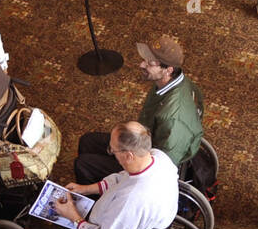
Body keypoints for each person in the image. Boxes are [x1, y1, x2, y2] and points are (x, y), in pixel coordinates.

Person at [31, 121, 178, 229]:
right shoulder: (158, 157)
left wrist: (75, 218)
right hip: (114, 220)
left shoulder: (131, 200)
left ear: (128, 156)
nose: (111, 153)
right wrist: (86, 189)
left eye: (113, 151)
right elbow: (122, 178)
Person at [73, 34, 204, 183]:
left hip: (149, 161)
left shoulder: (172, 118)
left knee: (83, 164)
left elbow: (163, 163)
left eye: (150, 63)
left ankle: (97, 200)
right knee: (87, 141)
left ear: (168, 70)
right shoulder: (174, 83)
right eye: (144, 60)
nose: (142, 65)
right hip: (145, 140)